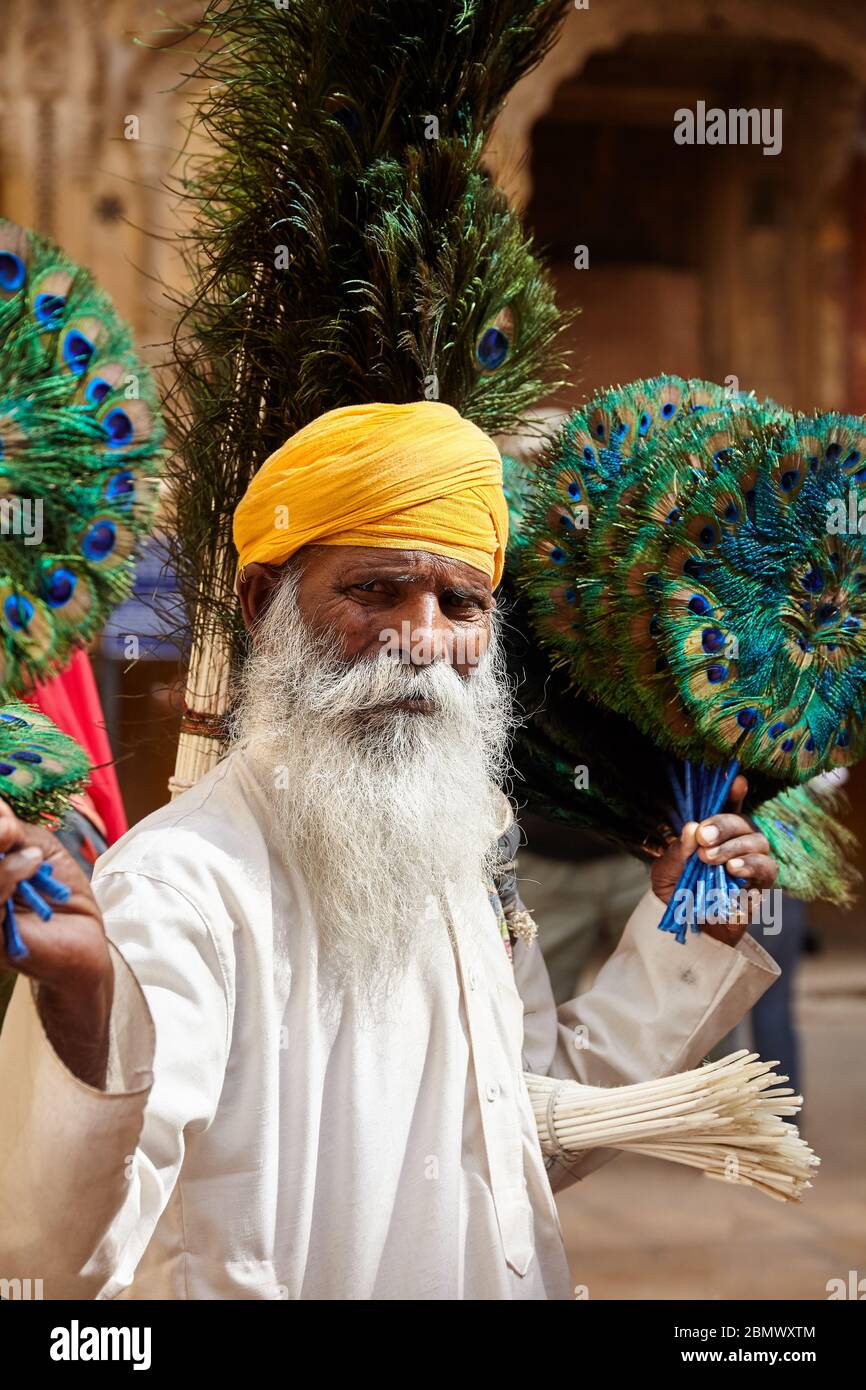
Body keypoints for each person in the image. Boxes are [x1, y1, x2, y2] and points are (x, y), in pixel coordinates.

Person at [0, 401, 780, 1301]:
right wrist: (84, 1006)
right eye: (376, 591)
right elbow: (55, 1267)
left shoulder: (461, 841)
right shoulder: (180, 886)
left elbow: (514, 1131)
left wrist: (690, 938)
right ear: (264, 603)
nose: (423, 638)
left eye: (461, 603)